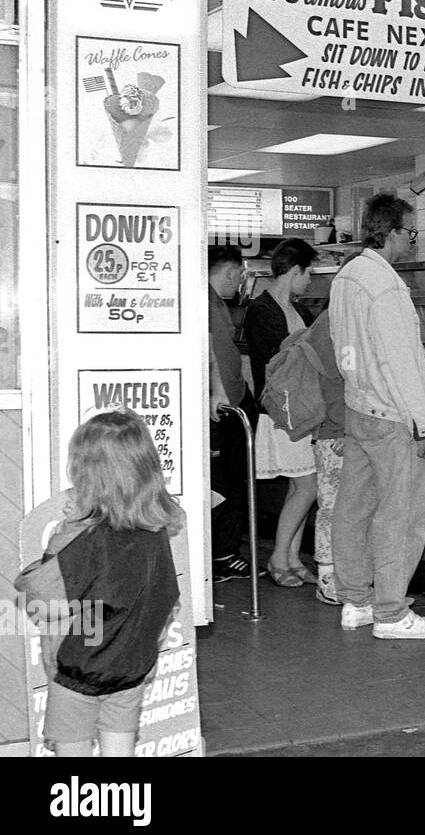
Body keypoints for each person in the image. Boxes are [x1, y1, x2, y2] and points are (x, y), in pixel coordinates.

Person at [17, 410, 183, 756]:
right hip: (130, 666)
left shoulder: (79, 538)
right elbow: (167, 599)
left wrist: (58, 541)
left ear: (86, 474)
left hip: (77, 670)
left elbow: (41, 599)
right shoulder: (155, 532)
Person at [330, 194, 425, 639]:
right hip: (394, 415)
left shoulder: (346, 277)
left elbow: (344, 347)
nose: (413, 243)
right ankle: (392, 613)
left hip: (358, 408)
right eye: (411, 233)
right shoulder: (387, 286)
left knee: (354, 509)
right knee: (401, 516)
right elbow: (403, 361)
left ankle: (355, 601)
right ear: (392, 232)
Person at [244, 238, 320, 587]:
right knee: (308, 486)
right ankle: (277, 558)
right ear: (294, 270)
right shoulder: (261, 310)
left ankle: (290, 557)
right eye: (309, 272)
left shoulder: (298, 310)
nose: (310, 280)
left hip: (300, 409)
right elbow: (276, 360)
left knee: (299, 485)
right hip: (279, 411)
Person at [207, 245, 257, 582]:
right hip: (222, 408)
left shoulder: (216, 301)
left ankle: (226, 551)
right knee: (225, 482)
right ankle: (223, 554)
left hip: (233, 403)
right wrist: (217, 391)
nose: (239, 283)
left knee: (234, 480)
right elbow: (207, 345)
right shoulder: (204, 300)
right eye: (239, 276)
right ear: (230, 271)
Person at [300, 302, 346, 606]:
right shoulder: (333, 327)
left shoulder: (324, 324)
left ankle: (336, 577)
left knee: (333, 504)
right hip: (334, 432)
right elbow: (335, 384)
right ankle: (329, 579)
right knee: (333, 506)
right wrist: (345, 427)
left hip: (329, 430)